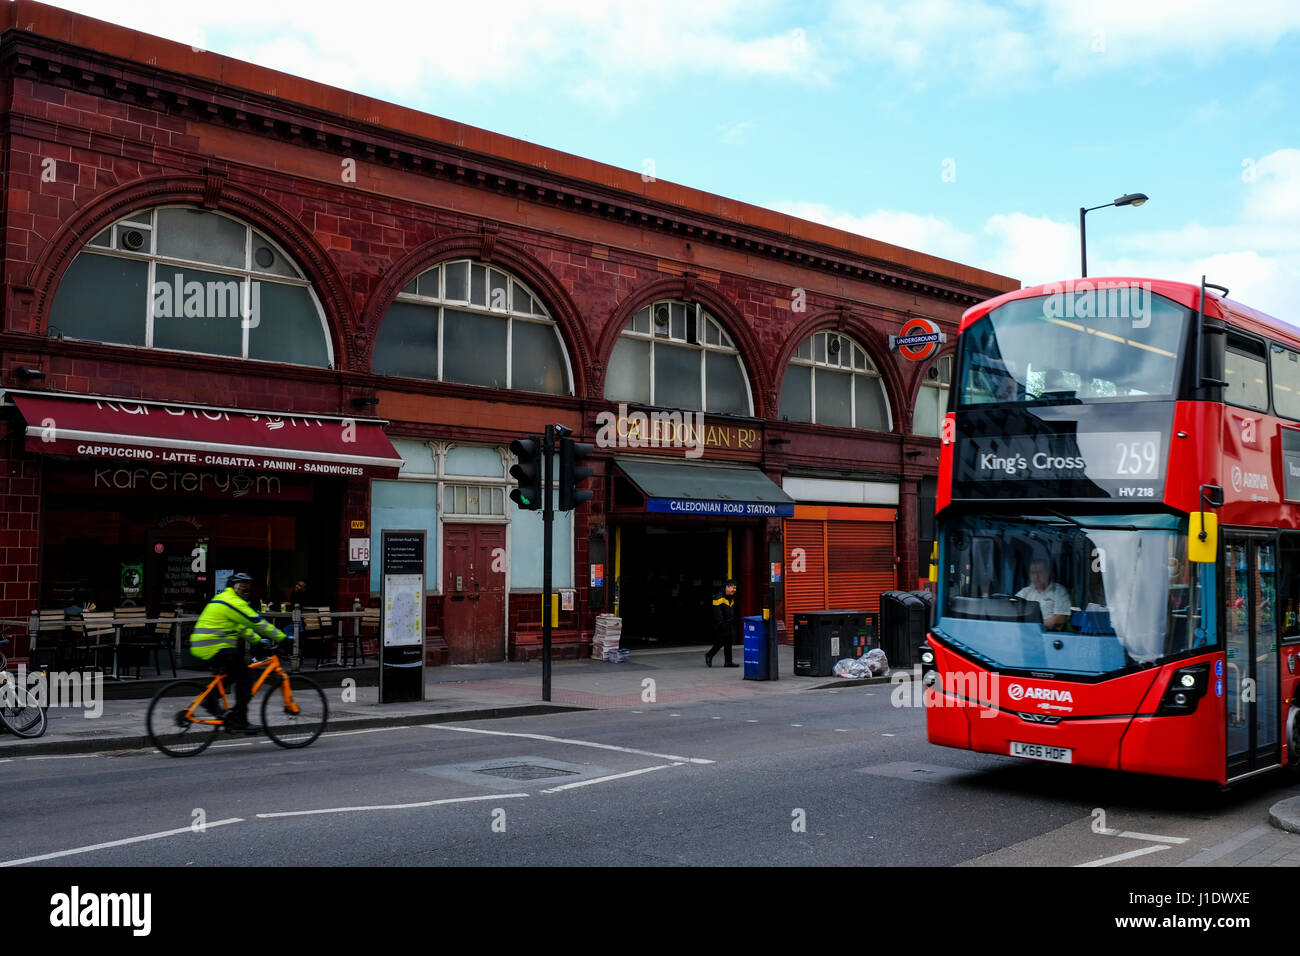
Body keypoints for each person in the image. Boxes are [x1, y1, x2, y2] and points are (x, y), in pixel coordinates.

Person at [190, 572, 289, 733]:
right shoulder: (233, 602)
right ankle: (240, 720)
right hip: (214, 645)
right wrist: (282, 638)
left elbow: (240, 627)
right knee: (246, 676)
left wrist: (257, 640)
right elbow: (255, 621)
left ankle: (211, 701)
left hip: (206, 645)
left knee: (231, 674)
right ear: (234, 589)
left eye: (248, 590)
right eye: (243, 589)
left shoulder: (225, 599)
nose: (246, 593)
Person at [1015, 559, 1071, 631]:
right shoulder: (1025, 592)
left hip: (1050, 634)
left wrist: (1035, 626)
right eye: (1033, 573)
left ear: (1048, 573)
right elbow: (1013, 609)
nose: (1036, 576)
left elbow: (1060, 618)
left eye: (1040, 572)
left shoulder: (1059, 591)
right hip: (1026, 632)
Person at [706, 579, 740, 668]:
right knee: (721, 642)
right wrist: (722, 625)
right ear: (727, 587)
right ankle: (709, 655)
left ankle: (728, 662)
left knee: (728, 642)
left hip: (729, 624)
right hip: (720, 625)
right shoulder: (718, 598)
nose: (734, 590)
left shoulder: (731, 597)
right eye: (733, 588)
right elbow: (717, 615)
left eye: (735, 588)